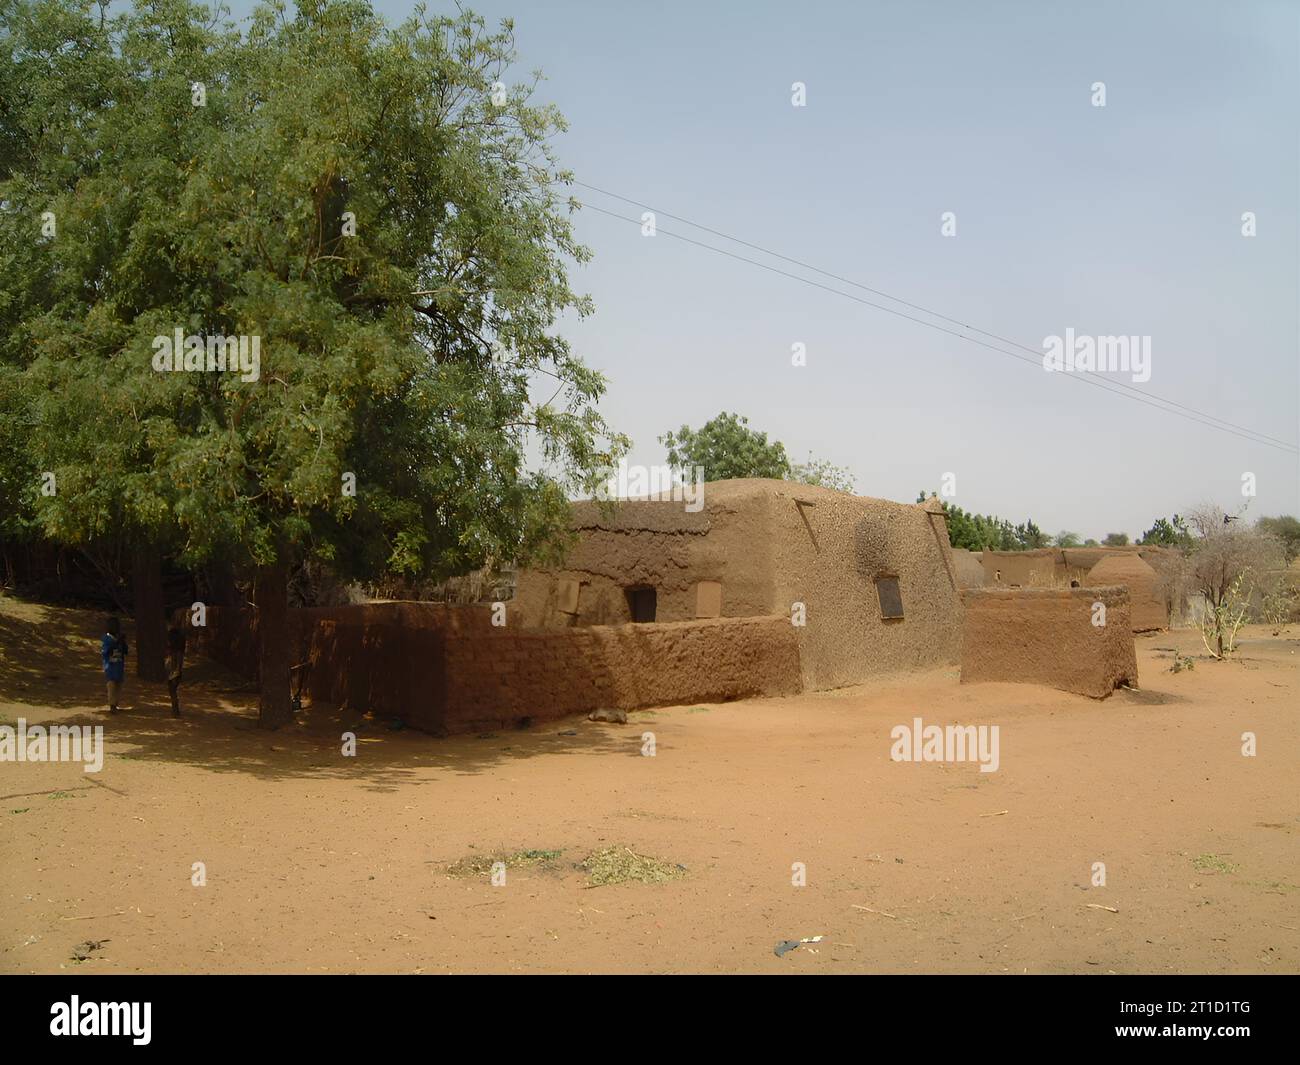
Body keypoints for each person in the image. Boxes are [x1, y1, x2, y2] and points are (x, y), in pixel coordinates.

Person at [101, 616, 128, 713]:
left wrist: (123, 642)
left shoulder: (119, 638)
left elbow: (125, 651)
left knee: (119, 685)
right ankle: (112, 705)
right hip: (110, 666)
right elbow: (105, 651)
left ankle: (115, 704)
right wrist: (116, 642)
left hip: (119, 665)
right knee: (111, 685)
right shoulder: (107, 638)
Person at [166, 619, 186, 717]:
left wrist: (175, 671)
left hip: (173, 672)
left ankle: (175, 710)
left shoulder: (174, 652)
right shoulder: (179, 651)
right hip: (176, 671)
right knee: (173, 691)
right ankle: (175, 710)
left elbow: (175, 664)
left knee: (172, 691)